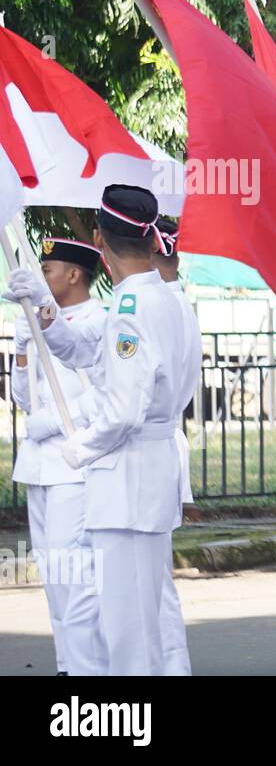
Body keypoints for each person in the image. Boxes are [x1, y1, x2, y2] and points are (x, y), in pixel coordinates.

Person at [6, 184, 199, 675]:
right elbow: (80, 349)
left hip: (126, 481)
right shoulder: (162, 300)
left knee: (128, 631)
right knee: (143, 621)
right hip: (143, 477)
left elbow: (122, 411)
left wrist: (79, 448)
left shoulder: (131, 310)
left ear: (100, 238)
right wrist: (45, 310)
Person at [10, 238, 107, 675]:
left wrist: (52, 420)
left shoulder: (98, 321)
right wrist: (21, 346)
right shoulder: (37, 320)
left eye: (48, 269)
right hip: (38, 465)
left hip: (72, 463)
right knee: (52, 574)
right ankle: (67, 663)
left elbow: (105, 393)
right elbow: (20, 395)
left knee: (74, 573)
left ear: (75, 275)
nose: (40, 276)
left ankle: (89, 666)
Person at [151, 217, 198, 676]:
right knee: (154, 580)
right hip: (163, 444)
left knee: (154, 583)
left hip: (151, 447)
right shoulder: (176, 302)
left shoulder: (160, 305)